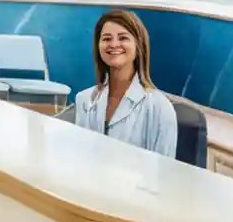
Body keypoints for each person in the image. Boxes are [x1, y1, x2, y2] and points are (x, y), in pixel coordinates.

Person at [74, 9, 177, 158]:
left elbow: (163, 173)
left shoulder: (159, 107)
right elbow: (80, 160)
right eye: (106, 38)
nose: (114, 44)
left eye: (123, 38)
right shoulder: (84, 100)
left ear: (138, 45)